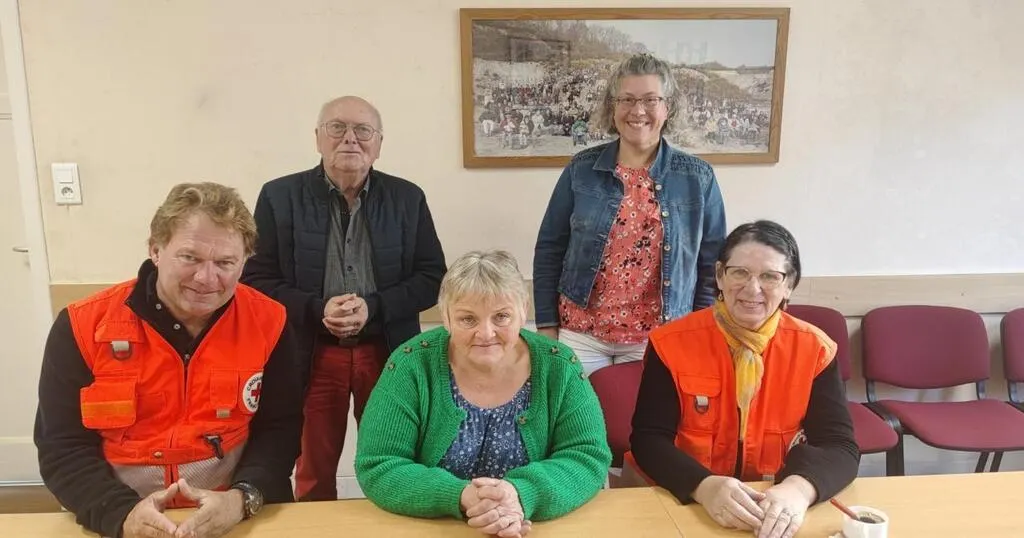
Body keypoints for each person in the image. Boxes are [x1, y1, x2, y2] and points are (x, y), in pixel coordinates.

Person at [34, 183, 303, 538]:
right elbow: (61, 445)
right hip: (116, 517)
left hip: (233, 516)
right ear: (156, 250)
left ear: (244, 262)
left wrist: (242, 499)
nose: (206, 279)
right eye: (190, 257)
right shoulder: (82, 326)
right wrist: (122, 514)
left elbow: (281, 431)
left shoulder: (271, 322)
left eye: (225, 263)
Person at [241, 96, 446, 502]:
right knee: (313, 469)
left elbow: (431, 278)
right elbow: (256, 280)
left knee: (394, 461)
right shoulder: (279, 196)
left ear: (379, 143)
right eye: (337, 127)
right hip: (310, 352)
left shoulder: (407, 198)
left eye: (363, 130)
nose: (350, 138)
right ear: (318, 138)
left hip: (387, 351)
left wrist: (374, 307)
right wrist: (317, 309)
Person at [355, 250, 611, 537]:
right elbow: (379, 464)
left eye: (501, 316)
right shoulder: (410, 364)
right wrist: (462, 496)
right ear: (446, 317)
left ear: (523, 310)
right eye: (468, 319)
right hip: (435, 530)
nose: (486, 333)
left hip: (533, 529)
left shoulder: (559, 365)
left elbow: (587, 455)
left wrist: (520, 494)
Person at [630, 220, 860, 538]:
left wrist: (798, 489)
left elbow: (840, 446)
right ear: (720, 276)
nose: (753, 289)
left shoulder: (816, 349)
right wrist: (703, 486)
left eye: (770, 276)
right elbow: (648, 439)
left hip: (771, 505)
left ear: (789, 285)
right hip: (687, 502)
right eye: (739, 273)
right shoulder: (670, 343)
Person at [533, 53, 727, 376]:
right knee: (578, 412)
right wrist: (546, 326)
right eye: (627, 99)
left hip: (658, 337)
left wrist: (699, 330)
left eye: (651, 99)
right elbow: (549, 249)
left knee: (643, 413)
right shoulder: (581, 169)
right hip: (581, 334)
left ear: (668, 107)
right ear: (613, 107)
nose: (638, 111)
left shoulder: (698, 178)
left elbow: (712, 264)